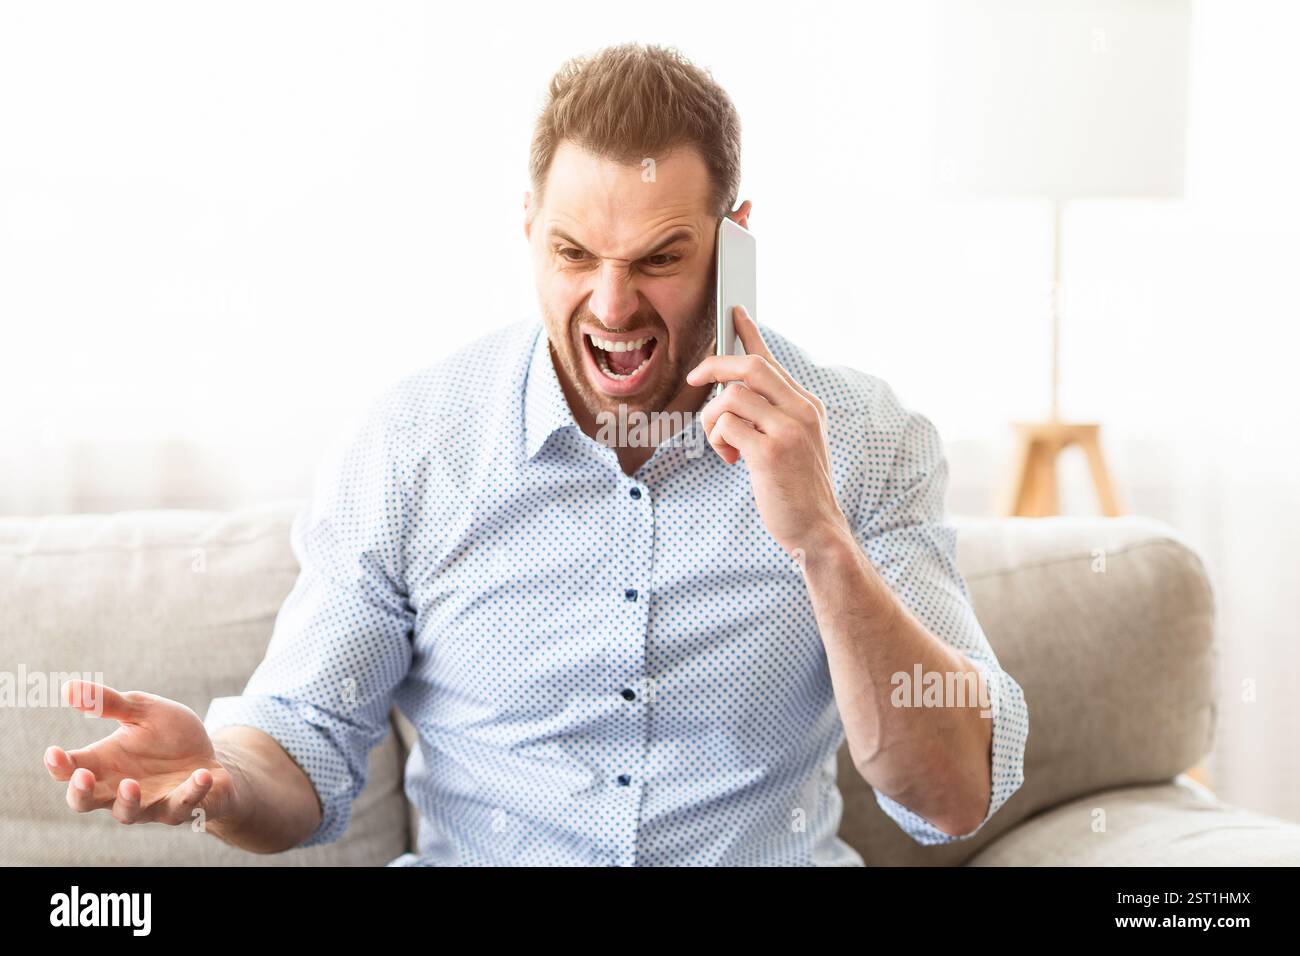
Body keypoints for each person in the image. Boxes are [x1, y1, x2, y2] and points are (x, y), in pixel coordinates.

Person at [43, 42, 1026, 866]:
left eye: (659, 257)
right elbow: (305, 743)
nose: (610, 305)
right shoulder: (413, 447)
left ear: (735, 242)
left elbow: (948, 794)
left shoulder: (863, 442)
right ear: (527, 232)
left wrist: (820, 541)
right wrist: (216, 776)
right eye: (572, 254)